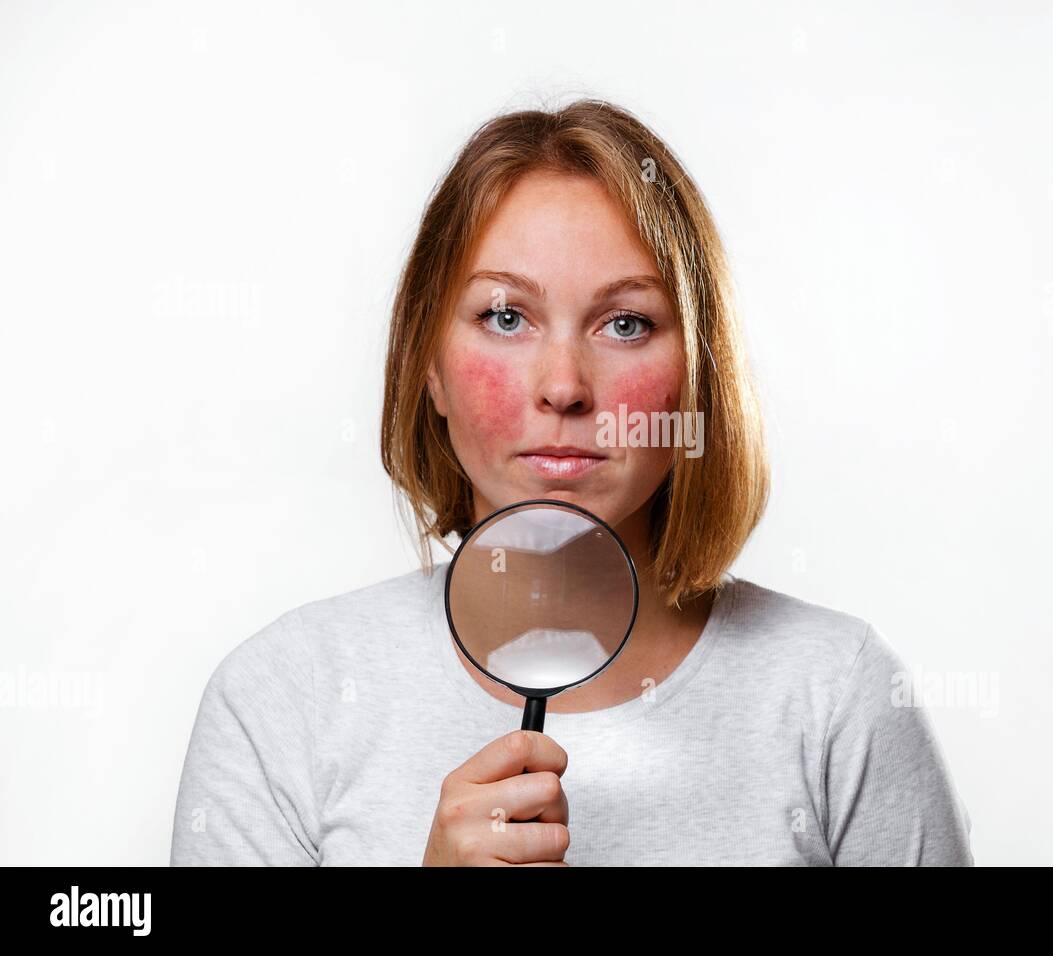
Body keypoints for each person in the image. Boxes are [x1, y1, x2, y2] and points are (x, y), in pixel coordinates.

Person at [169, 99, 974, 866]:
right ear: (430, 367)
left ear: (698, 372)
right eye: (505, 317)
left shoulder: (836, 694)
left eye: (626, 323)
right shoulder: (282, 700)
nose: (563, 387)